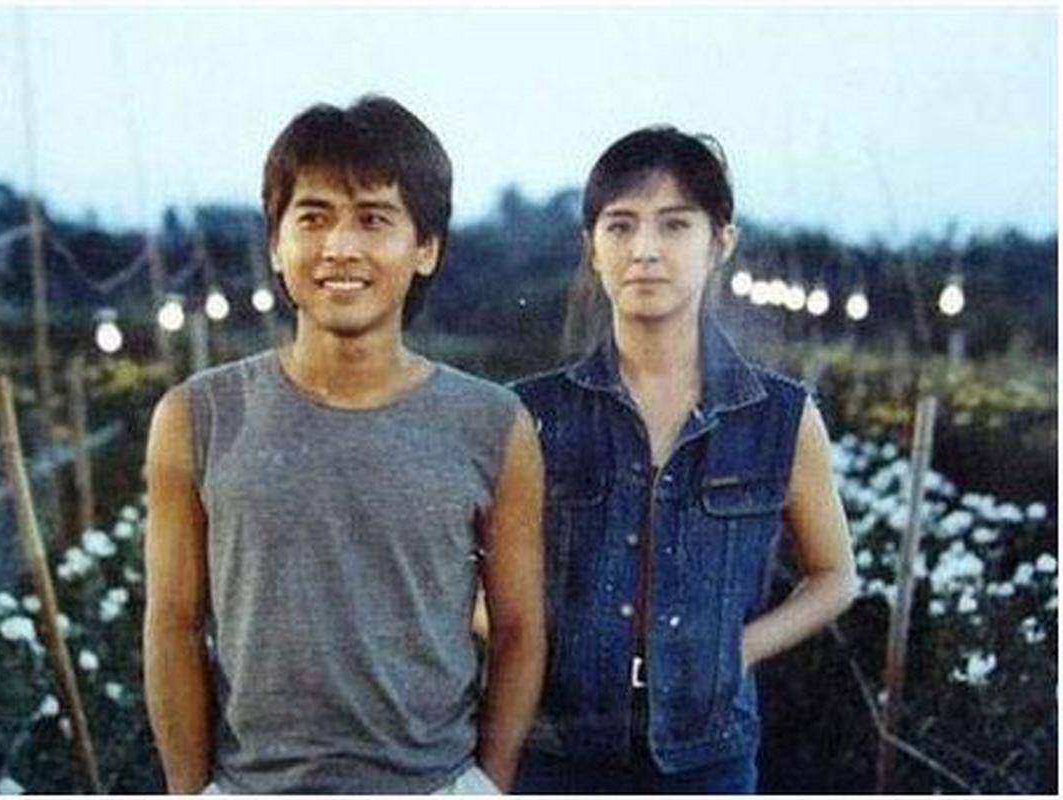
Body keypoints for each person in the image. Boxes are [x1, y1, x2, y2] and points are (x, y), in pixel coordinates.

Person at [143, 95, 546, 795]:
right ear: (277, 244)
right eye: (313, 217)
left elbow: (518, 629)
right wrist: (191, 792)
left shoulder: (493, 423)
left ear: (426, 248)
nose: (340, 247)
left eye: (373, 219)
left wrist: (489, 784)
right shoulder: (196, 416)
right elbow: (172, 625)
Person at [510, 126, 857, 794]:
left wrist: (735, 651)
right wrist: (540, 642)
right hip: (556, 752)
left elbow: (834, 575)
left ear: (720, 242)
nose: (644, 250)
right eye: (620, 226)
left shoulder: (780, 416)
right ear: (591, 248)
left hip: (708, 758)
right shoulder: (530, 412)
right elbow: (467, 580)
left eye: (674, 225)